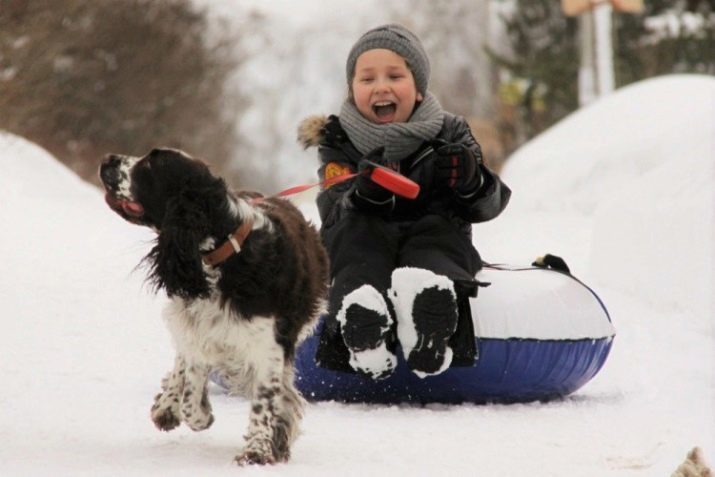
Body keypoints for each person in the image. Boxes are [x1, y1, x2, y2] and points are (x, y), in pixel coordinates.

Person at [297, 24, 511, 380]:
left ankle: (428, 315)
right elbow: (333, 210)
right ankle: (363, 320)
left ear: (418, 88)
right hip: (365, 232)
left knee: (438, 235)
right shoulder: (338, 140)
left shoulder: (451, 131)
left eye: (394, 75)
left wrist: (471, 180)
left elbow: (488, 205)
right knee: (353, 237)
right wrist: (363, 195)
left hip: (432, 233)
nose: (381, 86)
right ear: (352, 90)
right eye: (367, 79)